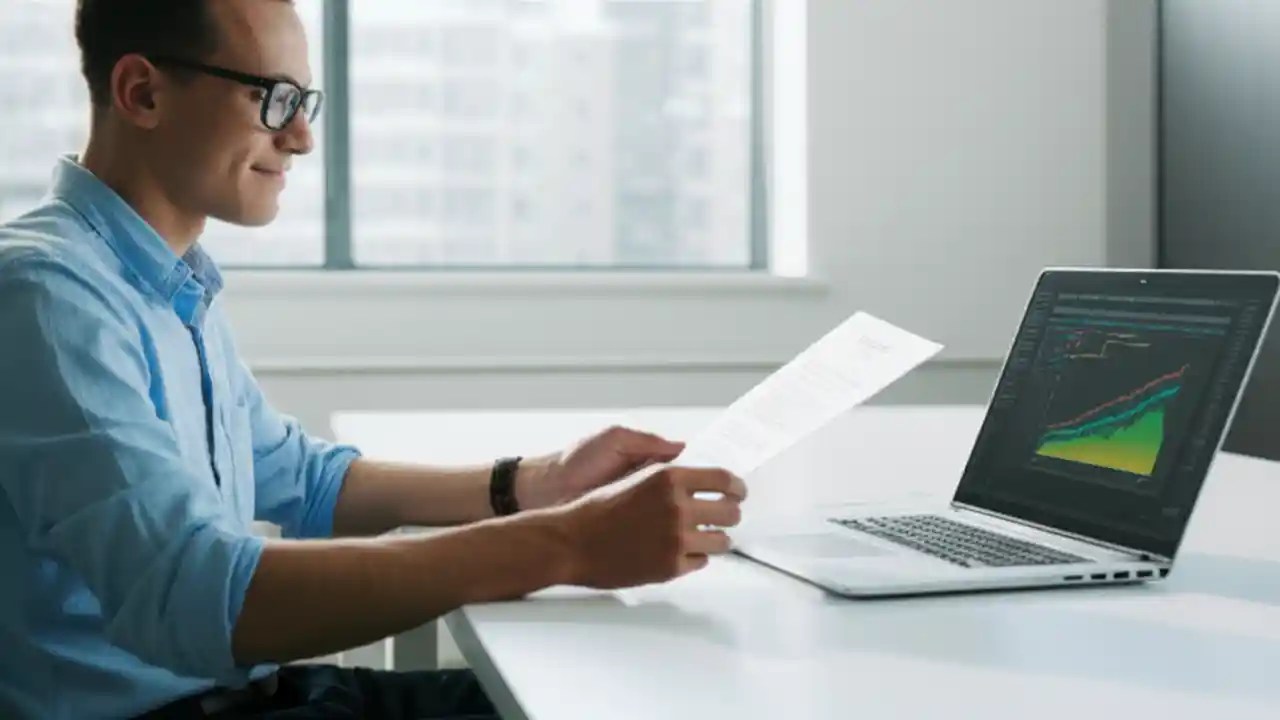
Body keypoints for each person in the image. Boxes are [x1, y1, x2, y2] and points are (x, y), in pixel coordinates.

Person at [0, 1, 748, 718]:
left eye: (305, 102)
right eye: (274, 99)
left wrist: (534, 484)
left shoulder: (166, 279)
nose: (300, 139)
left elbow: (297, 475)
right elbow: (200, 596)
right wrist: (571, 544)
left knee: (635, 693)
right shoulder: (49, 296)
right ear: (143, 92)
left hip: (256, 695)